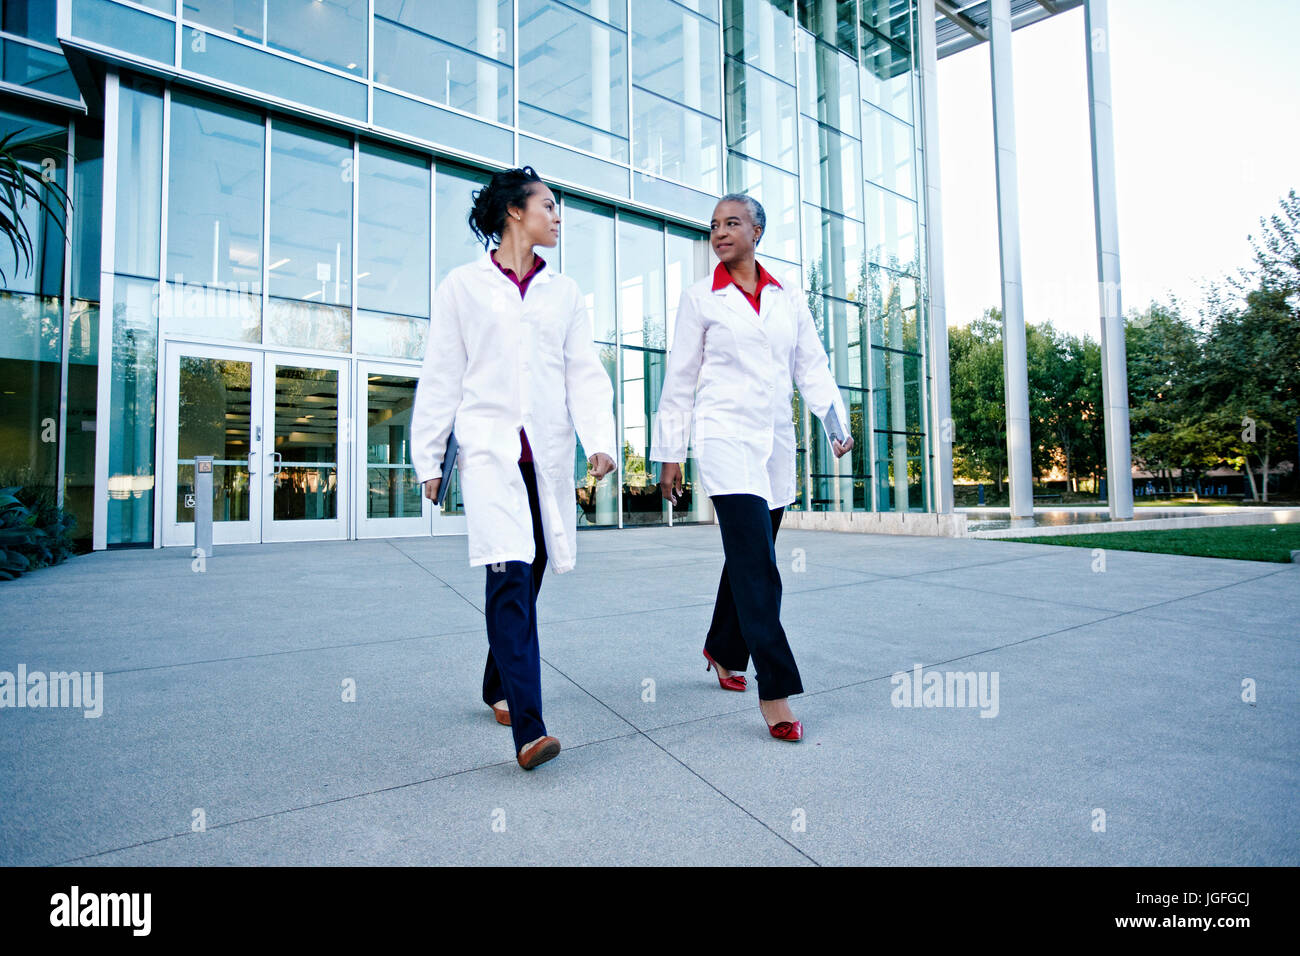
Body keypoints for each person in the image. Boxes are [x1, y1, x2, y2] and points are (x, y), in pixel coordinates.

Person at [411, 166, 617, 770]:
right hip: (489, 454)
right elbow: (442, 374)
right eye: (549, 205)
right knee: (508, 574)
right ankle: (530, 728)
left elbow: (584, 371)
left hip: (546, 457)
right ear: (514, 212)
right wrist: (430, 457)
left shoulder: (566, 293)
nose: (558, 217)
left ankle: (494, 682)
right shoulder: (462, 287)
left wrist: (599, 438)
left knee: (532, 573)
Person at [650, 193, 853, 742]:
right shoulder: (700, 299)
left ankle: (722, 647)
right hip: (722, 439)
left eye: (732, 222)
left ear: (757, 232)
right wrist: (670, 451)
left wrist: (836, 424)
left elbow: (812, 366)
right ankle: (776, 692)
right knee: (757, 565)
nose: (720, 232)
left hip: (774, 446)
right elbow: (680, 378)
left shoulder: (788, 298)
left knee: (749, 556)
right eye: (714, 225)